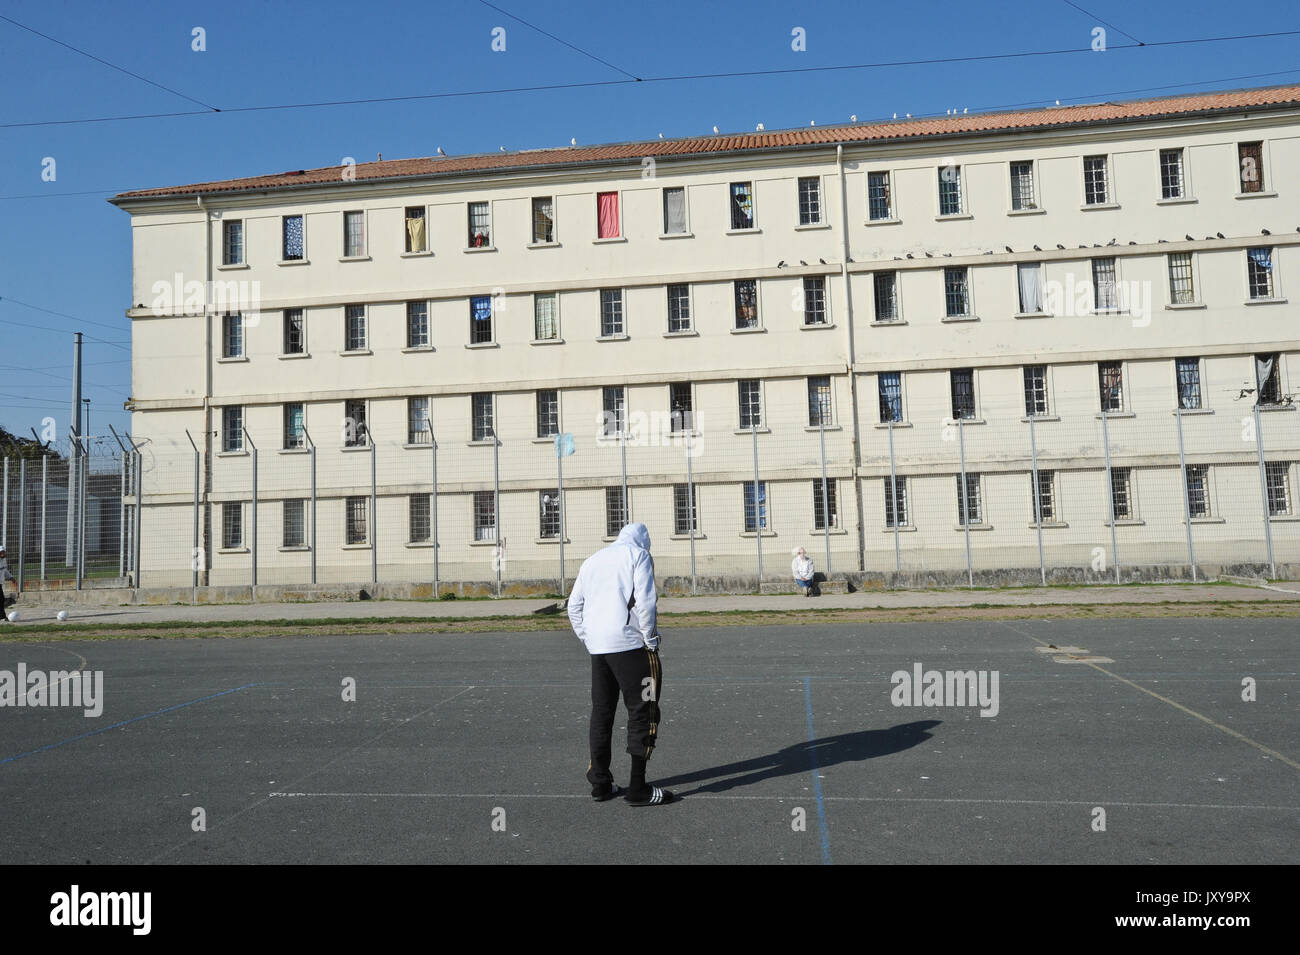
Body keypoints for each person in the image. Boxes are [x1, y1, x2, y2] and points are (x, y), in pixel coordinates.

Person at [567, 522, 673, 807]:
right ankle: (638, 787)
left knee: (602, 712)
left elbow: (573, 605)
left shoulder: (592, 560)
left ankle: (600, 783)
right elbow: (646, 602)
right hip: (630, 645)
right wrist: (650, 639)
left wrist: (588, 637)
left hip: (599, 648)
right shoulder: (638, 555)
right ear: (644, 544)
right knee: (644, 710)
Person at [0, 547, 13, 622]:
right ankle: (2, 616)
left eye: (3, 552)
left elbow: (5, 570)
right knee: (1, 599)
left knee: (1, 599)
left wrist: (11, 577)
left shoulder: (4, 560)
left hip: (0, 583)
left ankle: (2, 616)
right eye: (1, 552)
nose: (3, 554)